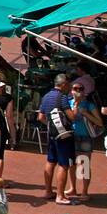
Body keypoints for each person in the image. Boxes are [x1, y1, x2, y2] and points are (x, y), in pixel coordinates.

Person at [39, 73, 77, 205]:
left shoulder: (46, 96)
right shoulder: (62, 98)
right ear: (64, 84)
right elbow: (72, 117)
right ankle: (60, 195)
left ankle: (48, 191)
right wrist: (77, 104)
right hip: (63, 135)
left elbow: (41, 117)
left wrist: (51, 125)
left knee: (50, 161)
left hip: (52, 135)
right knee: (63, 164)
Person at [65, 82, 104, 201]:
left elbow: (99, 122)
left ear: (84, 91)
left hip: (85, 137)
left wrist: (86, 113)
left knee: (84, 165)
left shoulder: (89, 105)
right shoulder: (69, 103)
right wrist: (75, 108)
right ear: (71, 90)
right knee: (72, 164)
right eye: (75, 88)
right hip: (72, 136)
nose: (77, 91)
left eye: (80, 89)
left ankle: (85, 191)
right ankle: (73, 188)